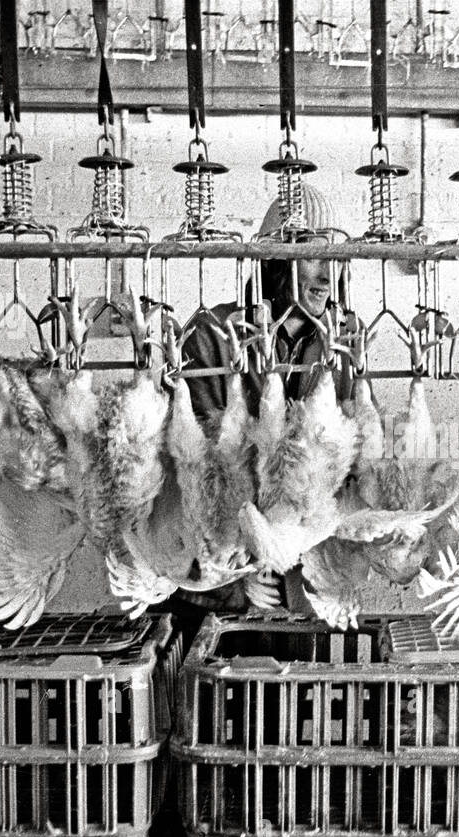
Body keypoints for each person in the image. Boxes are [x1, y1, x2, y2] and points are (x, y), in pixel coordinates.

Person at [153, 185, 356, 637]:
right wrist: (240, 573)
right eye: (311, 257)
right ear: (276, 263)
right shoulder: (213, 335)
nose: (326, 275)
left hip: (296, 583)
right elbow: (196, 469)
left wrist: (289, 551)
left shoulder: (339, 346)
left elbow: (342, 468)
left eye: (334, 258)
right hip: (215, 584)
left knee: (290, 704)